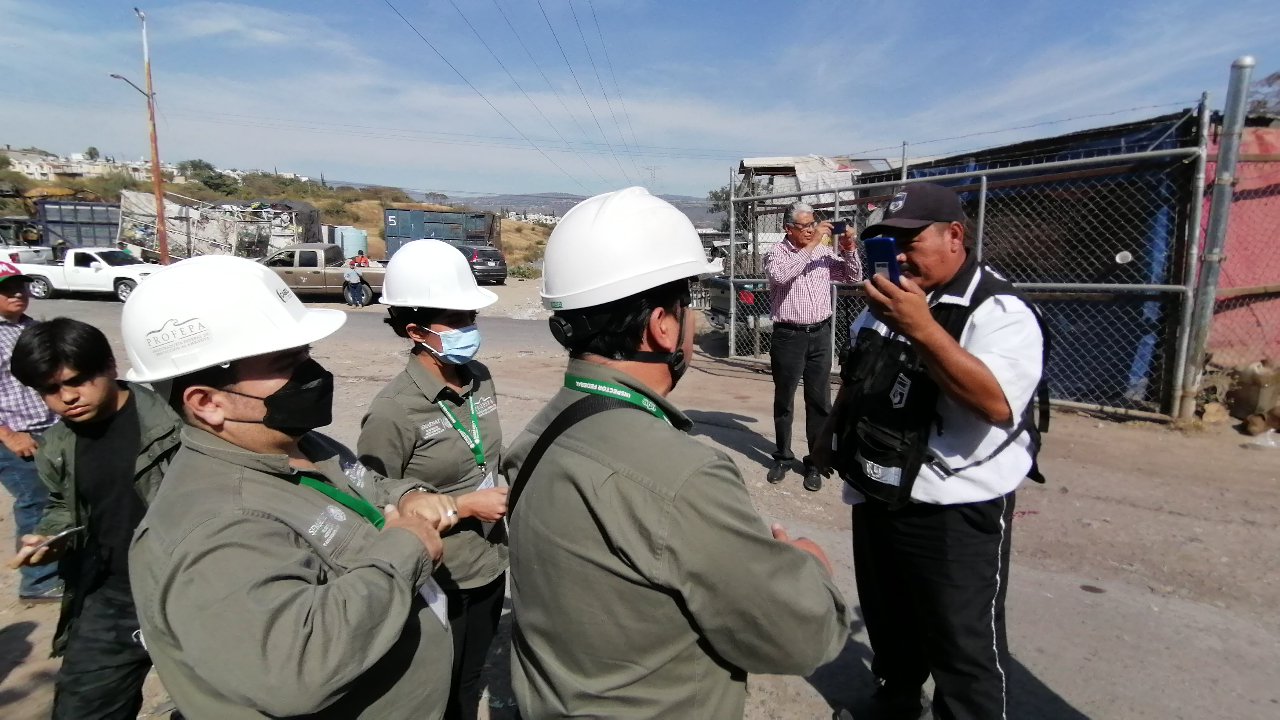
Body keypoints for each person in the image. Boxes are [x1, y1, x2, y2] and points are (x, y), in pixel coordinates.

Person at [503, 187, 850, 718]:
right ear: (662, 326)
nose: (694, 322)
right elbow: (802, 636)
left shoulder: (539, 432)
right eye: (689, 306)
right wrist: (810, 569)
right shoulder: (682, 476)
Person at [120, 254, 463, 719]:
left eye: (307, 356)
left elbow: (364, 486)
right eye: (288, 363)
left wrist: (405, 497)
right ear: (208, 403)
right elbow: (297, 667)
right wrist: (405, 549)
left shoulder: (295, 443)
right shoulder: (218, 525)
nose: (312, 374)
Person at [816, 182, 1046, 720]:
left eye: (909, 241)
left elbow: (995, 402)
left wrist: (922, 329)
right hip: (879, 487)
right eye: (887, 242)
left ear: (954, 237)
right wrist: (830, 434)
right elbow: (857, 372)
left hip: (954, 506)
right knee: (890, 620)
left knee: (961, 644)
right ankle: (895, 699)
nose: (896, 255)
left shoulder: (1000, 310)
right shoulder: (887, 299)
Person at [358, 239, 510, 720]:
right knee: (436, 693)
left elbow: (487, 456)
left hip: (490, 563)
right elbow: (373, 499)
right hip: (439, 577)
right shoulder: (394, 410)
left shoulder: (478, 377)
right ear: (415, 330)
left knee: (468, 682)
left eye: (472, 319)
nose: (471, 331)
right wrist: (464, 507)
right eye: (458, 321)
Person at [9, 317, 182, 720]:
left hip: (186, 590)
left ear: (108, 365)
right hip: (109, 595)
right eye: (50, 390)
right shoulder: (57, 443)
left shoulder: (174, 419)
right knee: (82, 708)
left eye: (78, 381)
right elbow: (61, 507)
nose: (67, 397)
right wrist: (49, 539)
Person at [763, 202, 861, 491]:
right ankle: (782, 456)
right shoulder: (776, 253)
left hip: (820, 333)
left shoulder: (822, 251)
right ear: (788, 229)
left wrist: (848, 247)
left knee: (819, 401)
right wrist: (814, 243)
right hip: (789, 336)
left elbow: (852, 277)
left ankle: (815, 462)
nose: (810, 230)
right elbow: (780, 277)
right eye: (804, 226)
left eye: (812, 224)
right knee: (785, 399)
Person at [0, 260, 62, 603]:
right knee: (35, 502)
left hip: (50, 430)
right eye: (7, 288)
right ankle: (37, 583)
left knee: (61, 499)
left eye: (20, 286)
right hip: (14, 438)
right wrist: (7, 434)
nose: (17, 293)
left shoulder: (30, 328)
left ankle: (58, 562)